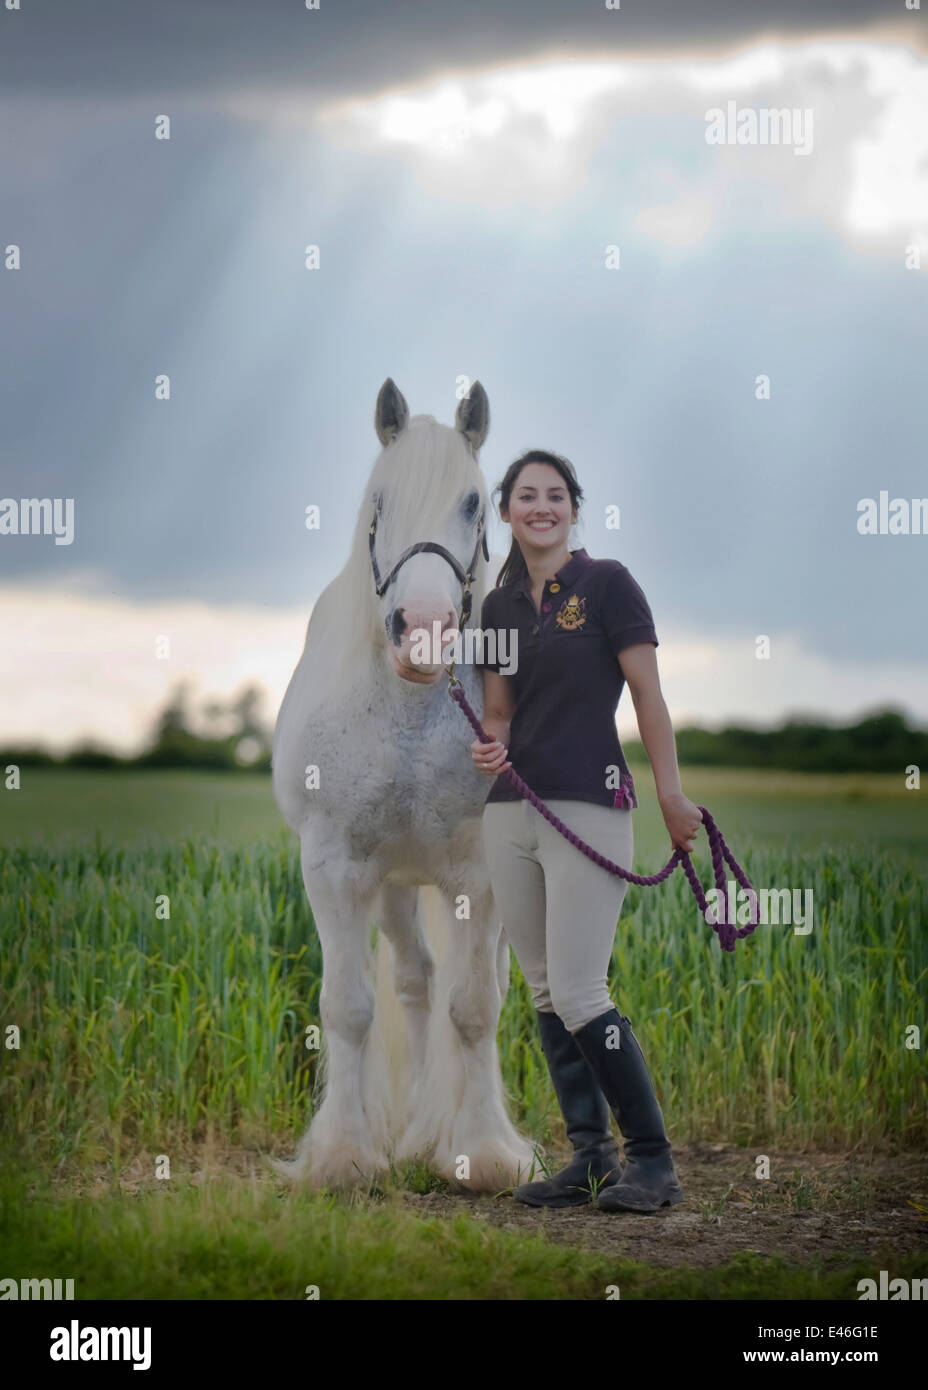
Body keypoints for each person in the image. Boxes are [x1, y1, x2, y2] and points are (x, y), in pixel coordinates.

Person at [472, 449, 702, 1214]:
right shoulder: (497, 607)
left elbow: (648, 697)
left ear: (574, 507)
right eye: (527, 496)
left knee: (579, 989)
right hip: (509, 811)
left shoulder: (609, 584)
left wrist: (670, 794)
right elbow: (498, 713)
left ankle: (654, 1164)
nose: (542, 506)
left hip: (593, 806)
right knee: (543, 989)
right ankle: (591, 1160)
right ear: (506, 510)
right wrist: (488, 748)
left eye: (556, 495)